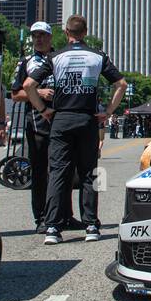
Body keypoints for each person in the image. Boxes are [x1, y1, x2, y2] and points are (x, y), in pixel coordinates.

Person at [23, 15, 128, 245]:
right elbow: (121, 84)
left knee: (58, 172)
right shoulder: (97, 56)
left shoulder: (55, 56)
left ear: (66, 33)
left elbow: (28, 85)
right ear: (85, 32)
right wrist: (108, 111)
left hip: (61, 119)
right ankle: (91, 224)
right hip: (87, 118)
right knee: (90, 173)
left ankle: (52, 227)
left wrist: (43, 109)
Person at [10, 21, 76, 232]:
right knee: (39, 173)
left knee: (64, 170)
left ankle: (66, 215)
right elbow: (16, 94)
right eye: (34, 35)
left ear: (50, 37)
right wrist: (38, 93)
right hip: (38, 125)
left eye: (42, 35)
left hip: (63, 122)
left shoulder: (62, 59)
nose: (38, 39)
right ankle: (41, 217)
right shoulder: (25, 63)